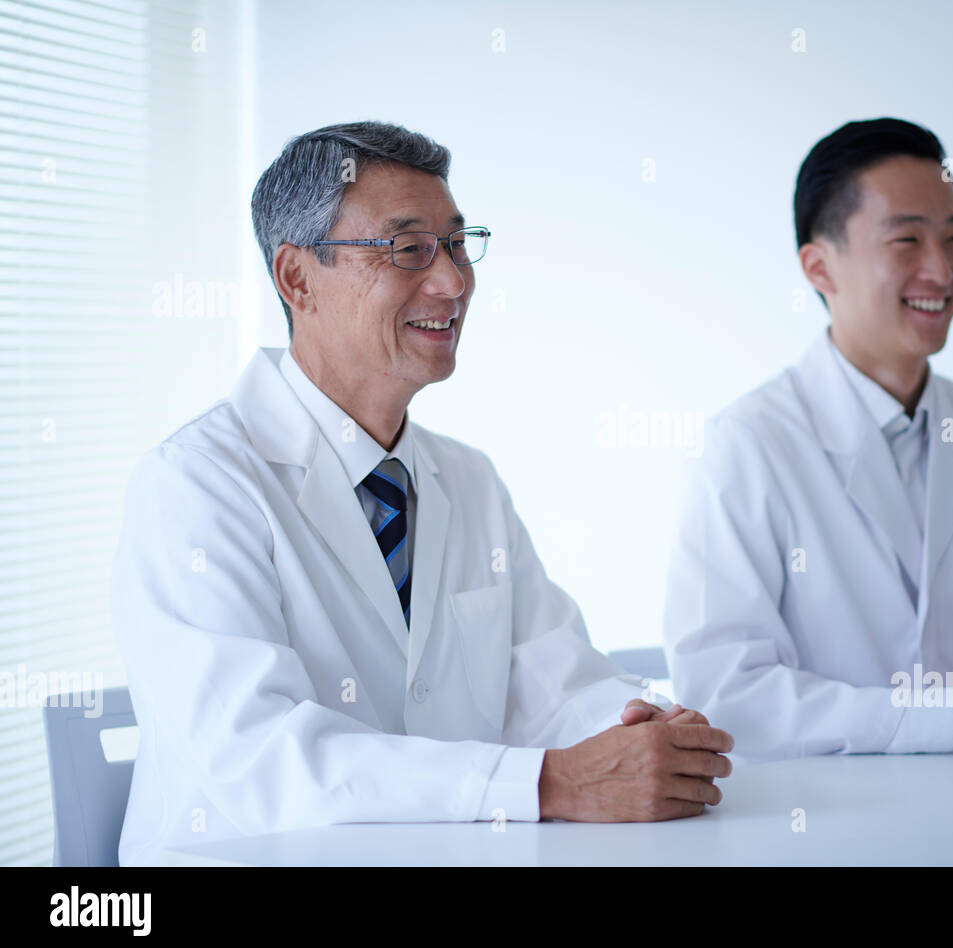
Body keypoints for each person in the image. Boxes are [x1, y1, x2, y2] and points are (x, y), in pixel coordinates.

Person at [113, 121, 732, 866]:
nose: (454, 281)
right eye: (408, 249)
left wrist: (649, 729)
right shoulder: (195, 486)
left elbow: (552, 678)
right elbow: (263, 760)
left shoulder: (466, 480)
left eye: (458, 243)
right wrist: (546, 784)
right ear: (297, 278)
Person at [662, 118, 953, 761]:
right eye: (906, 239)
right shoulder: (748, 444)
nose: (941, 269)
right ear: (820, 266)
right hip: (826, 831)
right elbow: (729, 694)